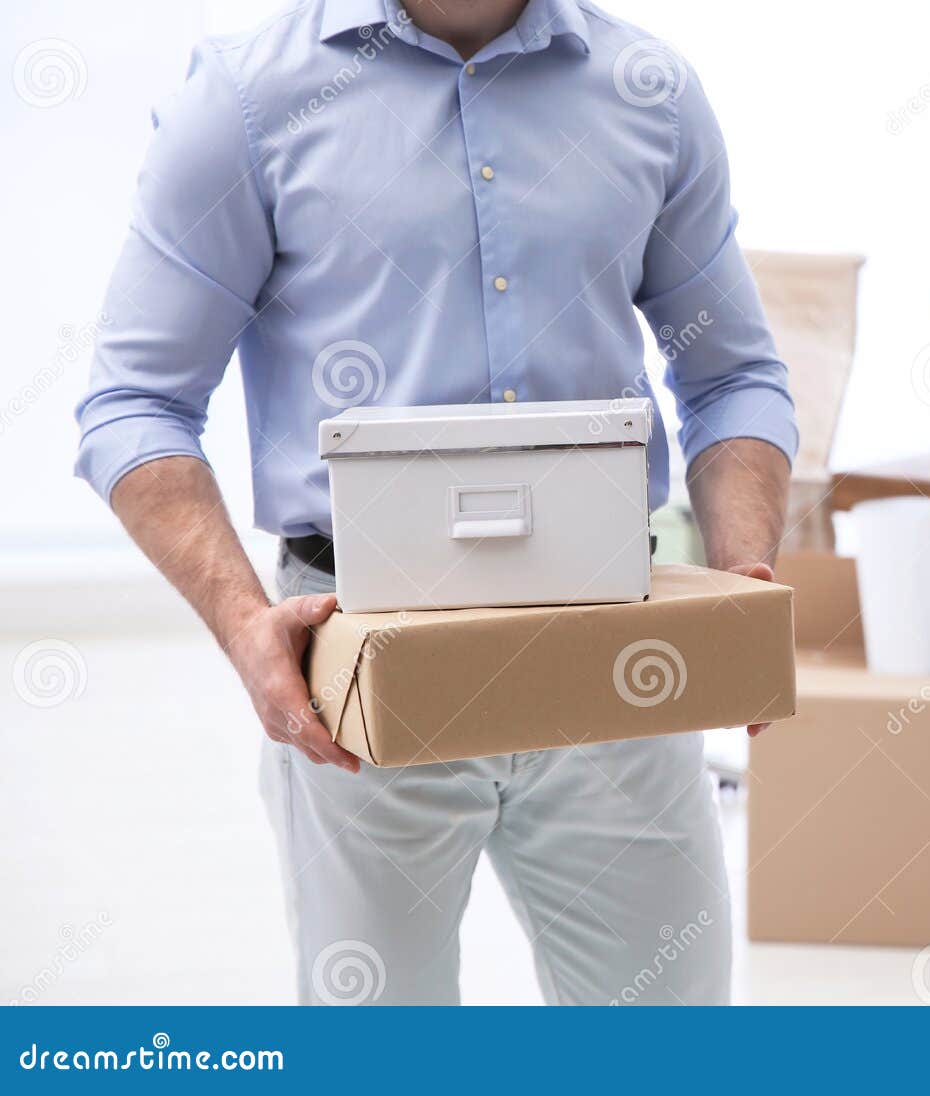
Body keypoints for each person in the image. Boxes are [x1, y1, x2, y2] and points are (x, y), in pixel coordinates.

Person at [73, 0, 793, 1006]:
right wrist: (245, 627)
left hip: (616, 657)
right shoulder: (247, 99)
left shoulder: (650, 91)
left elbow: (732, 378)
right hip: (360, 666)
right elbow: (134, 404)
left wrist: (742, 570)